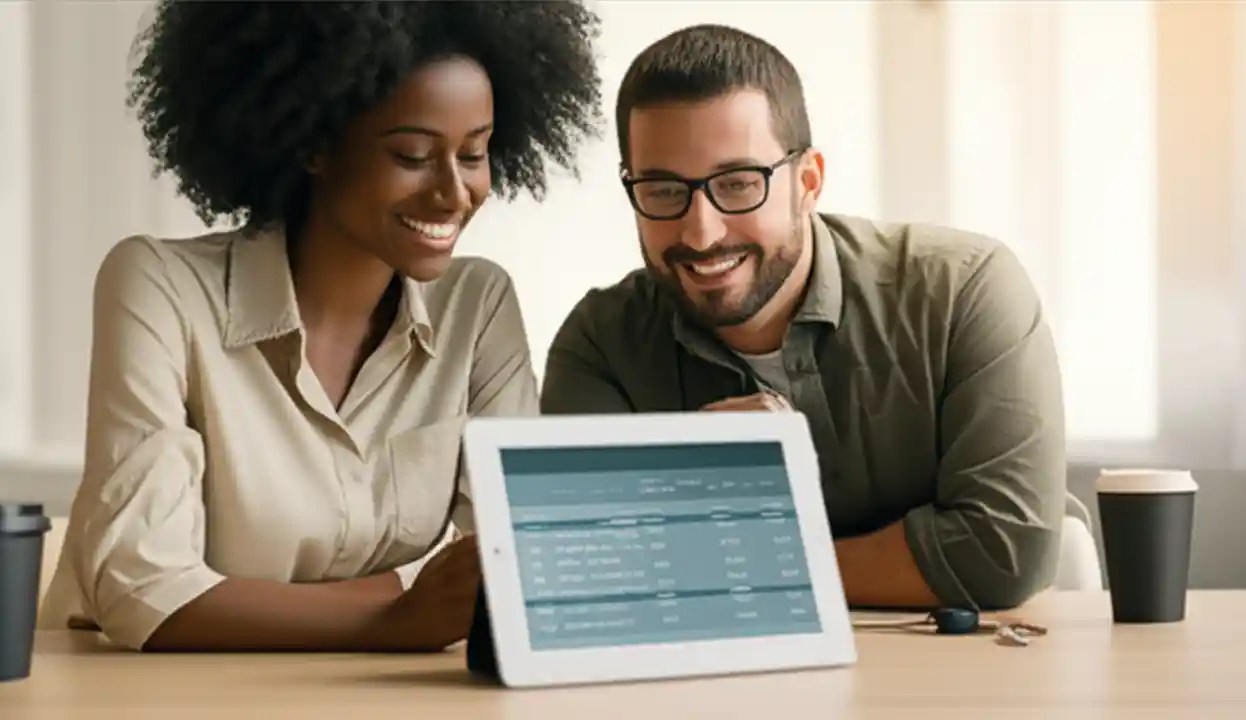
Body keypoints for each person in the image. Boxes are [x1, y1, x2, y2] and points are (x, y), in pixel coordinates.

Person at [40, 0, 602, 652]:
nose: (454, 192)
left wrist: (238, 599)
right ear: (314, 144)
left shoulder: (477, 306)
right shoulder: (160, 287)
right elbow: (142, 590)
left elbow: (506, 568)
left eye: (474, 154)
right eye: (414, 155)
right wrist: (396, 618)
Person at [541, 24, 1067, 611]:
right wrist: (692, 474)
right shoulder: (600, 344)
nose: (702, 231)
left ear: (808, 181)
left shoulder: (965, 289)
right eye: (664, 191)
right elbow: (583, 568)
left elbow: (1003, 554)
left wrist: (705, 548)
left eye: (738, 184)